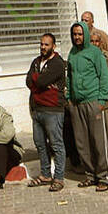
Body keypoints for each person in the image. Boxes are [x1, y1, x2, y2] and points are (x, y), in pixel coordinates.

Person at [66, 21, 108, 191]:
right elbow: (69, 78)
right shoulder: (72, 53)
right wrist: (69, 98)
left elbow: (104, 77)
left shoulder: (94, 52)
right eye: (74, 34)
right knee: (82, 143)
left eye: (80, 34)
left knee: (98, 141)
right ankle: (90, 175)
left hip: (93, 102)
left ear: (85, 34)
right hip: (77, 105)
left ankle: (104, 177)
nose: (77, 37)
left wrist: (101, 101)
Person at [82, 11, 108, 179]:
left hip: (107, 101)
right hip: (93, 102)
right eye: (90, 41)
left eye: (96, 41)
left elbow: (104, 78)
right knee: (99, 139)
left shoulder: (106, 57)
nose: (93, 43)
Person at [25, 32, 68, 192]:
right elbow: (29, 81)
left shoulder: (57, 63)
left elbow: (41, 81)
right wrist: (39, 81)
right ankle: (45, 175)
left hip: (53, 110)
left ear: (53, 46)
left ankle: (58, 178)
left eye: (46, 45)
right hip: (37, 109)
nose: (43, 47)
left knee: (56, 144)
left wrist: (39, 80)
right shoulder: (36, 62)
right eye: (41, 44)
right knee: (40, 144)